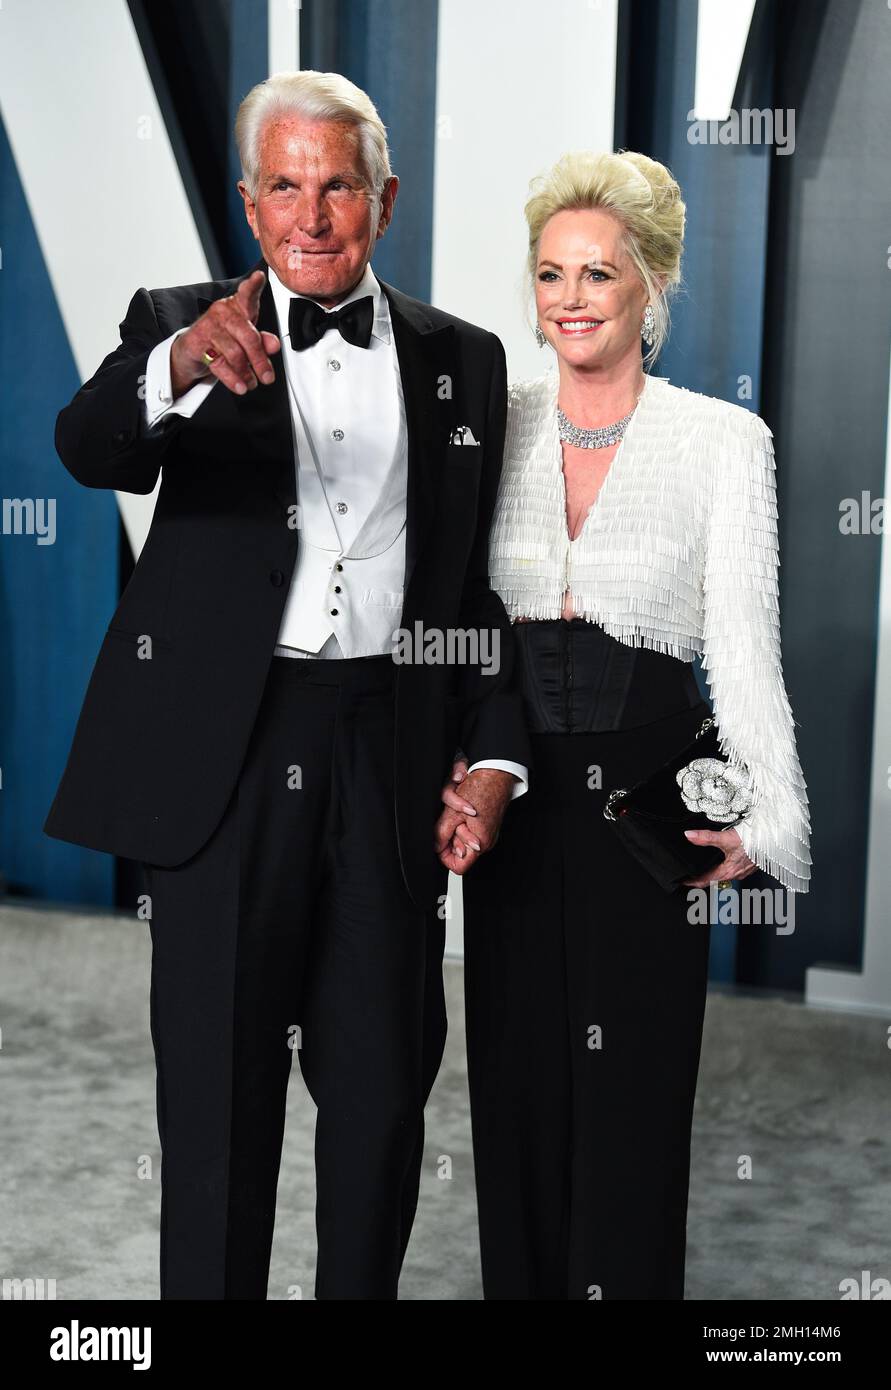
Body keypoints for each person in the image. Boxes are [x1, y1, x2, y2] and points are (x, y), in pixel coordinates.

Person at [44, 69, 529, 1300]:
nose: (312, 217)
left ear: (385, 198)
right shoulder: (175, 317)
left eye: (339, 188)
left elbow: (471, 596)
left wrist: (490, 753)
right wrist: (174, 368)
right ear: (249, 204)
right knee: (215, 1087)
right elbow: (90, 441)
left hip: (387, 741)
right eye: (286, 188)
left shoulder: (462, 362)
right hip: (229, 745)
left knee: (379, 1085)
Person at [435, 150, 812, 1300]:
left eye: (600, 273)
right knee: (516, 1095)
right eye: (551, 274)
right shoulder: (494, 421)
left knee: (634, 1104)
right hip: (515, 797)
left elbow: (744, 641)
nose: (572, 299)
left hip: (647, 807)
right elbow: (449, 614)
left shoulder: (719, 440)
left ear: (652, 286)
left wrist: (770, 813)